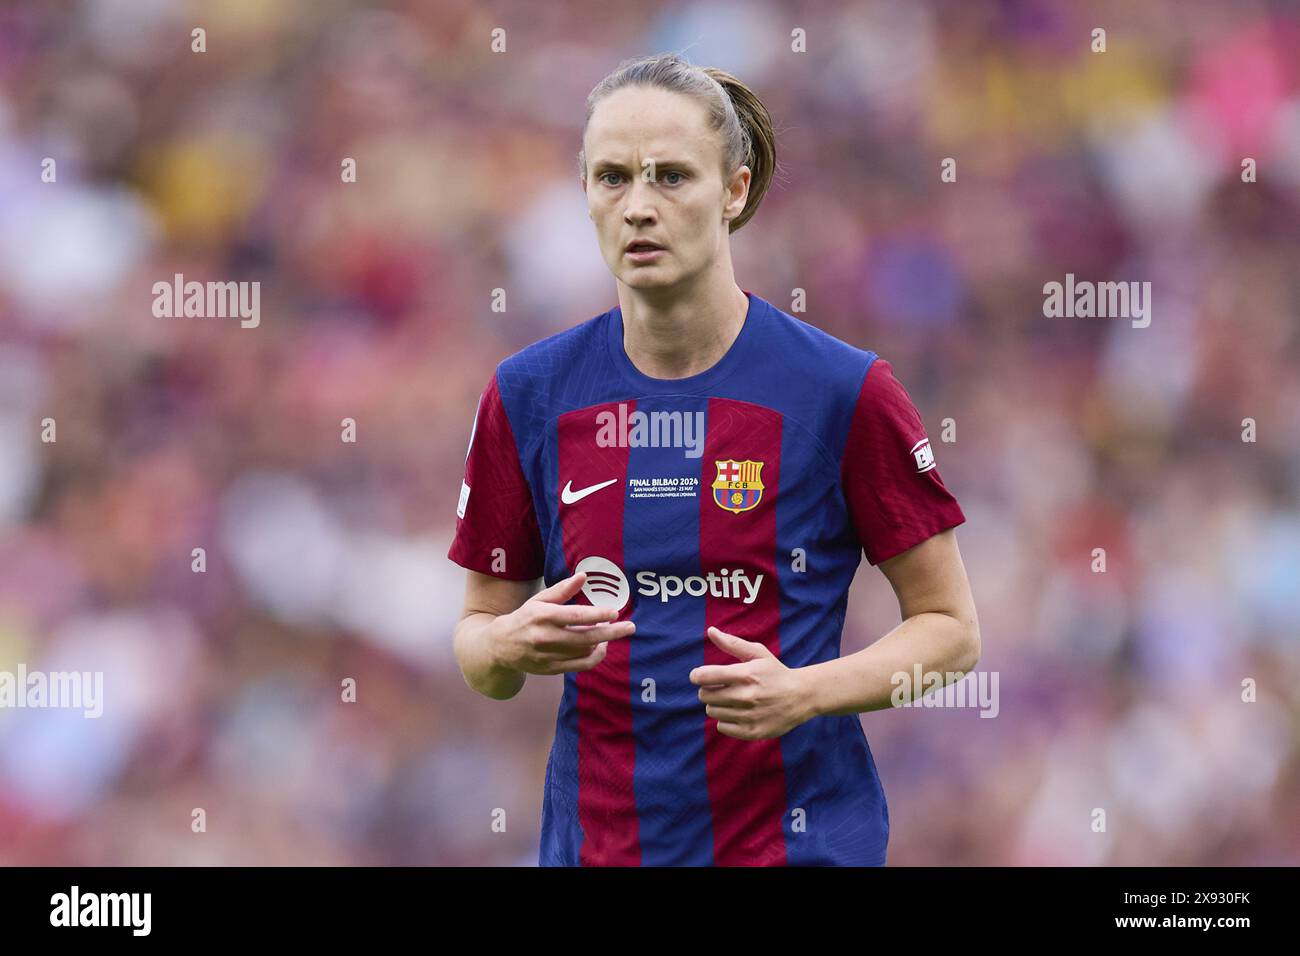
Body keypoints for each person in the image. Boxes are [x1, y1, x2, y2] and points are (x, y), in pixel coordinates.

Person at [448, 52, 979, 866]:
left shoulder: (841, 390)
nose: (638, 208)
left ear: (734, 191)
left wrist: (805, 691)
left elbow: (949, 634)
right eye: (612, 178)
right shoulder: (529, 395)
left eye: (670, 177)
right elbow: (481, 652)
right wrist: (510, 644)